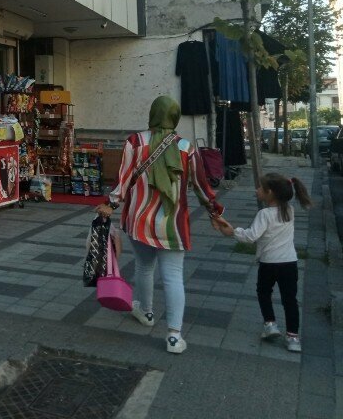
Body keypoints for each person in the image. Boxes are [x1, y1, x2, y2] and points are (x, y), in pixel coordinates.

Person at [96, 96, 224, 354]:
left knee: (144, 266)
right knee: (173, 277)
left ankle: (146, 312)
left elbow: (122, 181)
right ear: (175, 117)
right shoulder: (187, 148)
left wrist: (110, 204)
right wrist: (214, 212)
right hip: (173, 223)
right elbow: (201, 185)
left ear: (153, 114)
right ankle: (174, 336)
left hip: (138, 219)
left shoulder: (135, 142)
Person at [211, 172, 312, 352]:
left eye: (260, 187)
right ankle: (293, 338)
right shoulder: (290, 210)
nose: (256, 190)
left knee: (264, 292)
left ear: (270, 192)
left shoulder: (264, 214)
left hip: (269, 263)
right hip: (290, 263)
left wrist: (233, 231)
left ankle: (270, 324)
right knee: (290, 300)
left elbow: (251, 237)